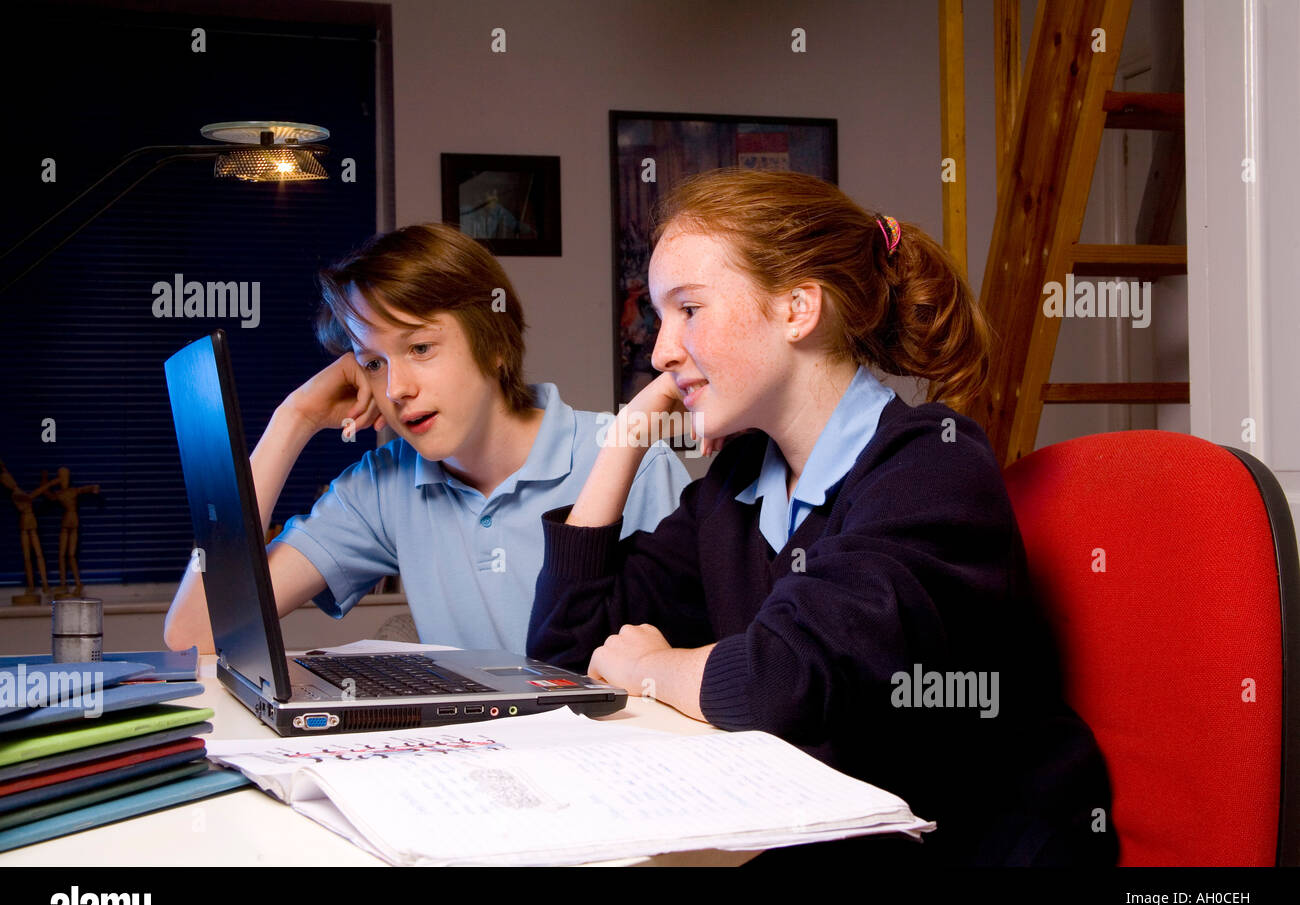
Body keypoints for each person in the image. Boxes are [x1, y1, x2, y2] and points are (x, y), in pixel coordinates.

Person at [527, 168, 1117, 866]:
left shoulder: (931, 466)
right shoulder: (738, 488)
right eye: (659, 317)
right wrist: (625, 438)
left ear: (798, 309)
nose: (661, 352)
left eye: (689, 309)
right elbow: (564, 650)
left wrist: (654, 666)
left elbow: (785, 681)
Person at [164, 223, 689, 655]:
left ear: (495, 345)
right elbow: (195, 637)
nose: (395, 388)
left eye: (419, 348)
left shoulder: (630, 459)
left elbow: (693, 659)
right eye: (372, 363)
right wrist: (291, 419)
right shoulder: (385, 484)